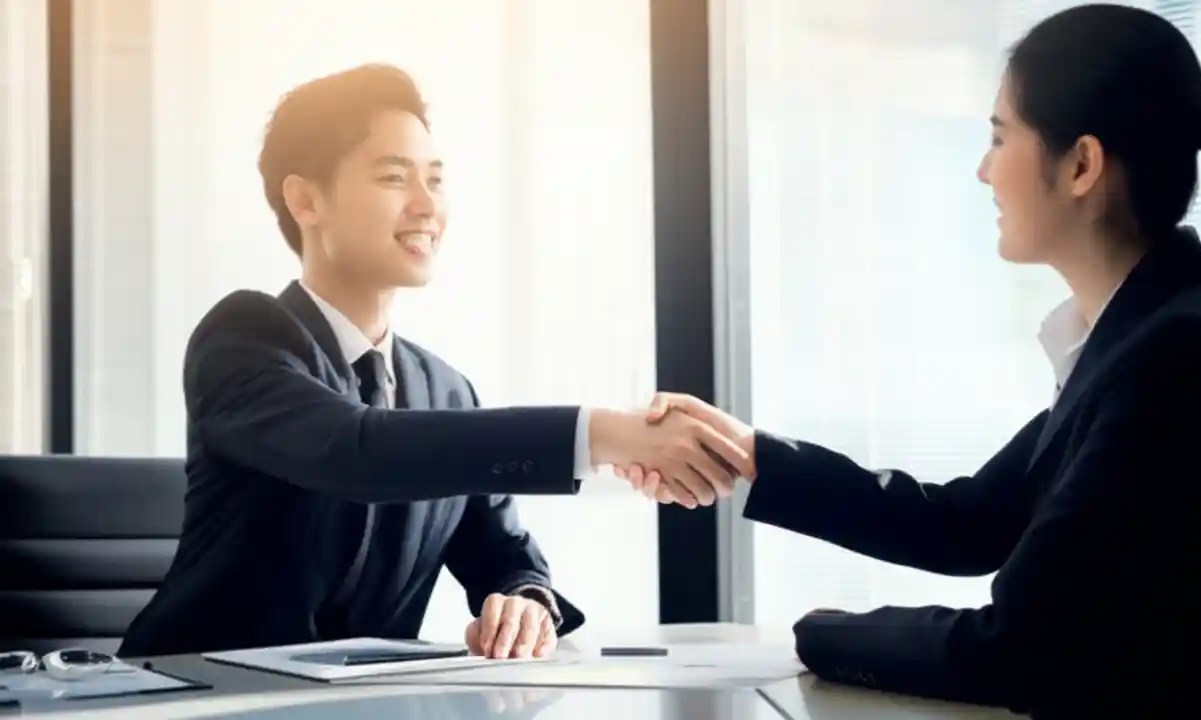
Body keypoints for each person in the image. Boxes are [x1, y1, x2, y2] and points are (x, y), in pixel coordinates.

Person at [623, 4, 1201, 716]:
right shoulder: (1150, 338)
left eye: (999, 138)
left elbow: (1018, 647)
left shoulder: (1177, 356)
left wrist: (822, 635)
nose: (983, 170)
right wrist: (751, 455)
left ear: (1081, 164)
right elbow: (966, 522)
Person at [118, 64, 748, 659]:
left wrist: (525, 602)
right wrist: (604, 433)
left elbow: (503, 554)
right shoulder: (244, 338)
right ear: (306, 200)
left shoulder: (445, 390)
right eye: (394, 178)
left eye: (436, 180)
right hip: (193, 696)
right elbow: (357, 449)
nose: (427, 206)